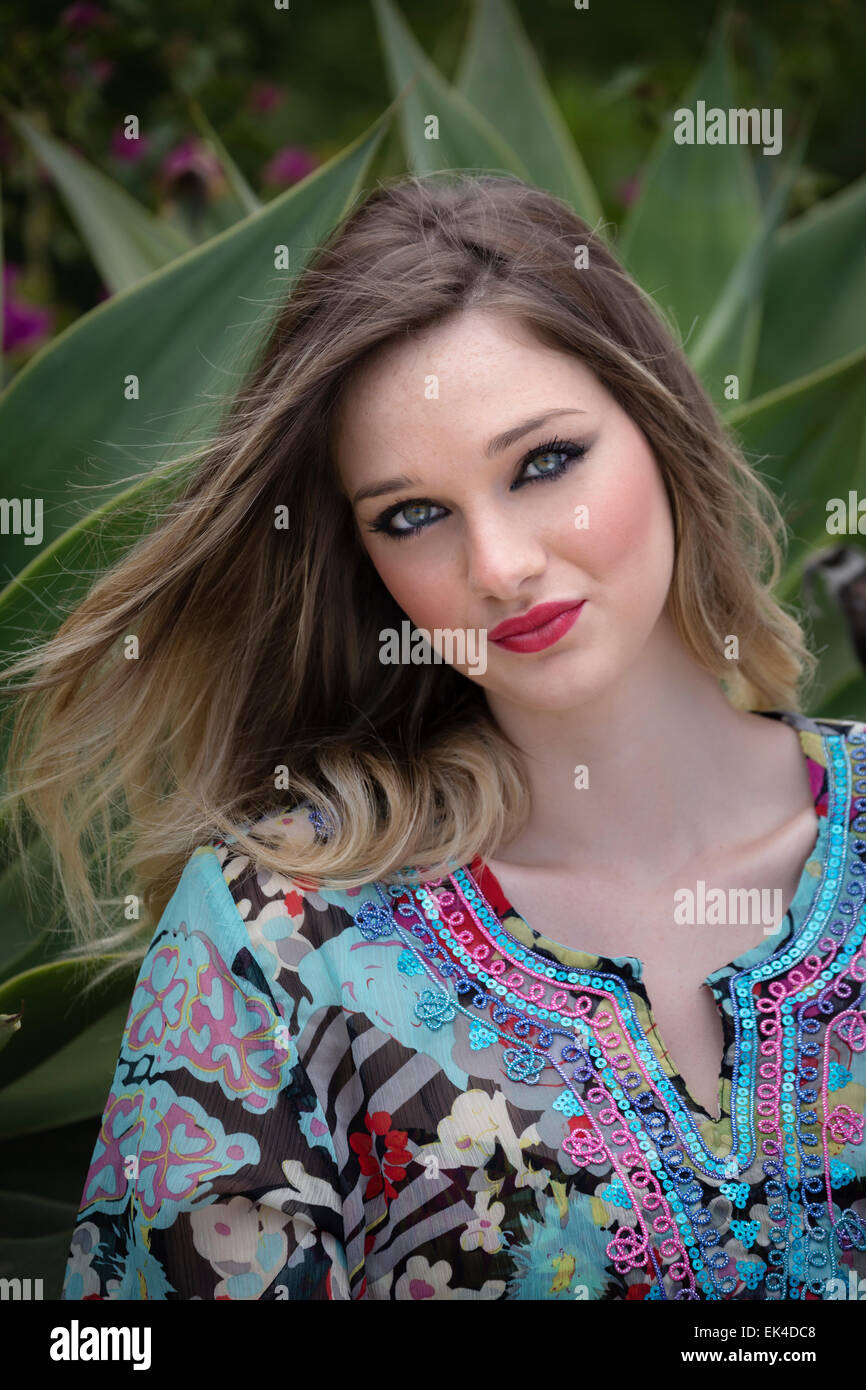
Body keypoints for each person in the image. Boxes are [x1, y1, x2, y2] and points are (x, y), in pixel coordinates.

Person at [3, 172, 865, 1302]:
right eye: (413, 516)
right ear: (367, 562)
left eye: (545, 461)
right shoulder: (280, 942)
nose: (499, 565)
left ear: (657, 423)